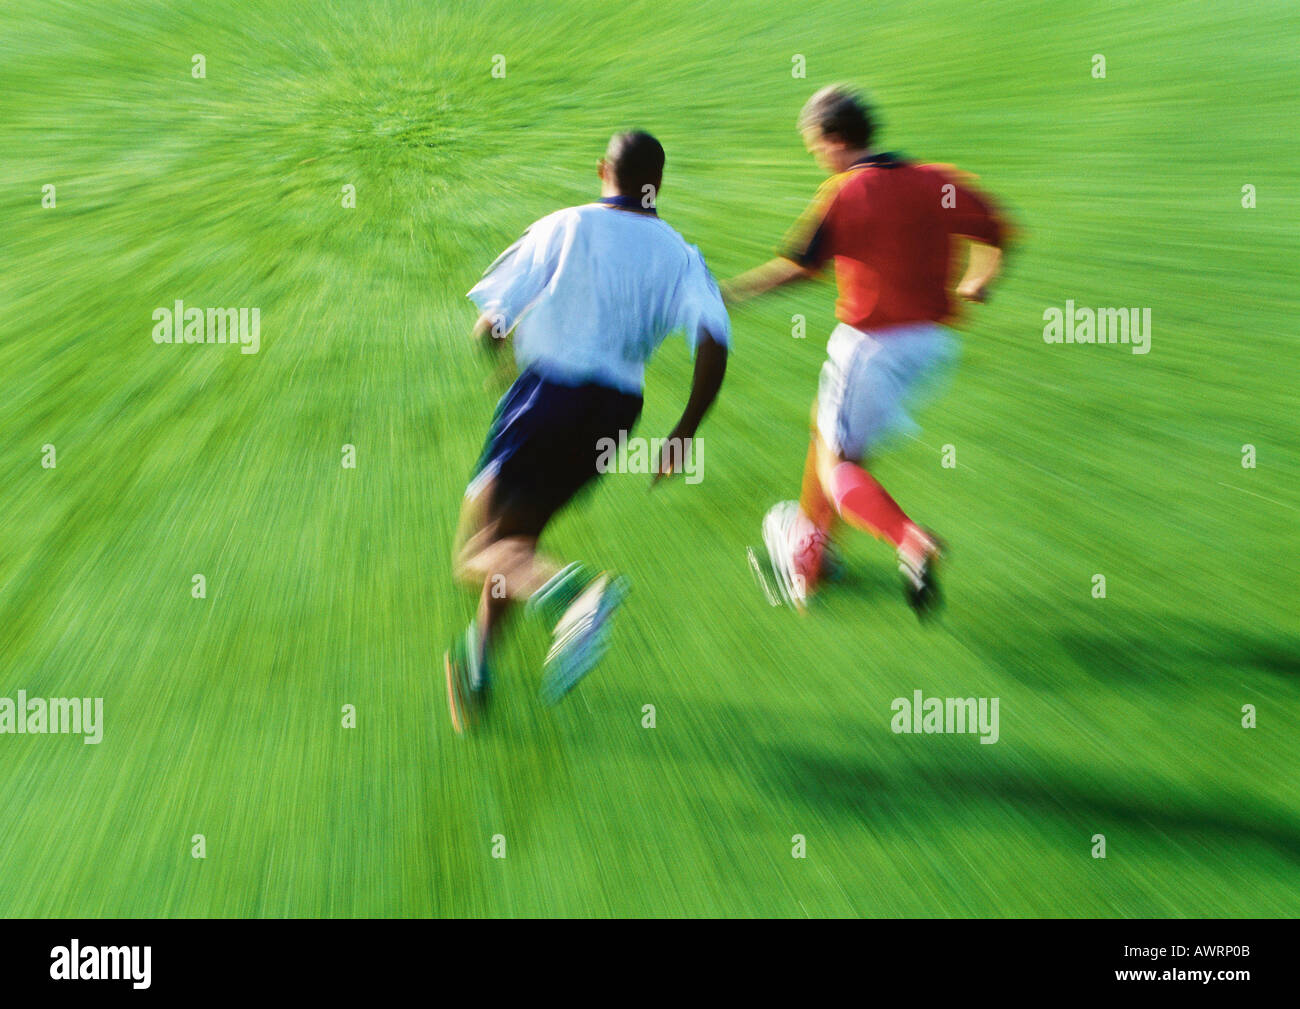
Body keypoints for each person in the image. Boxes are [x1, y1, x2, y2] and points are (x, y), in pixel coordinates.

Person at [447, 130, 729, 733]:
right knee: (516, 538)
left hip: (547, 394)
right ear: (659, 182)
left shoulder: (563, 226)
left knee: (475, 550)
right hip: (616, 413)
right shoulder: (681, 254)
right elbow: (714, 341)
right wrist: (683, 430)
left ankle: (573, 597)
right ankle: (478, 660)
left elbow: (487, 325)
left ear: (603, 169)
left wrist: (501, 368)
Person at [725, 85, 1009, 616]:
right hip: (932, 348)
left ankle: (909, 540)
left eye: (814, 146)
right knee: (830, 432)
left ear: (833, 140)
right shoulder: (937, 180)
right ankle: (813, 555)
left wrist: (728, 296)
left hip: (871, 347)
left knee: (837, 468)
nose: (816, 157)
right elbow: (996, 229)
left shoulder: (845, 191)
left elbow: (799, 268)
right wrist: (979, 279)